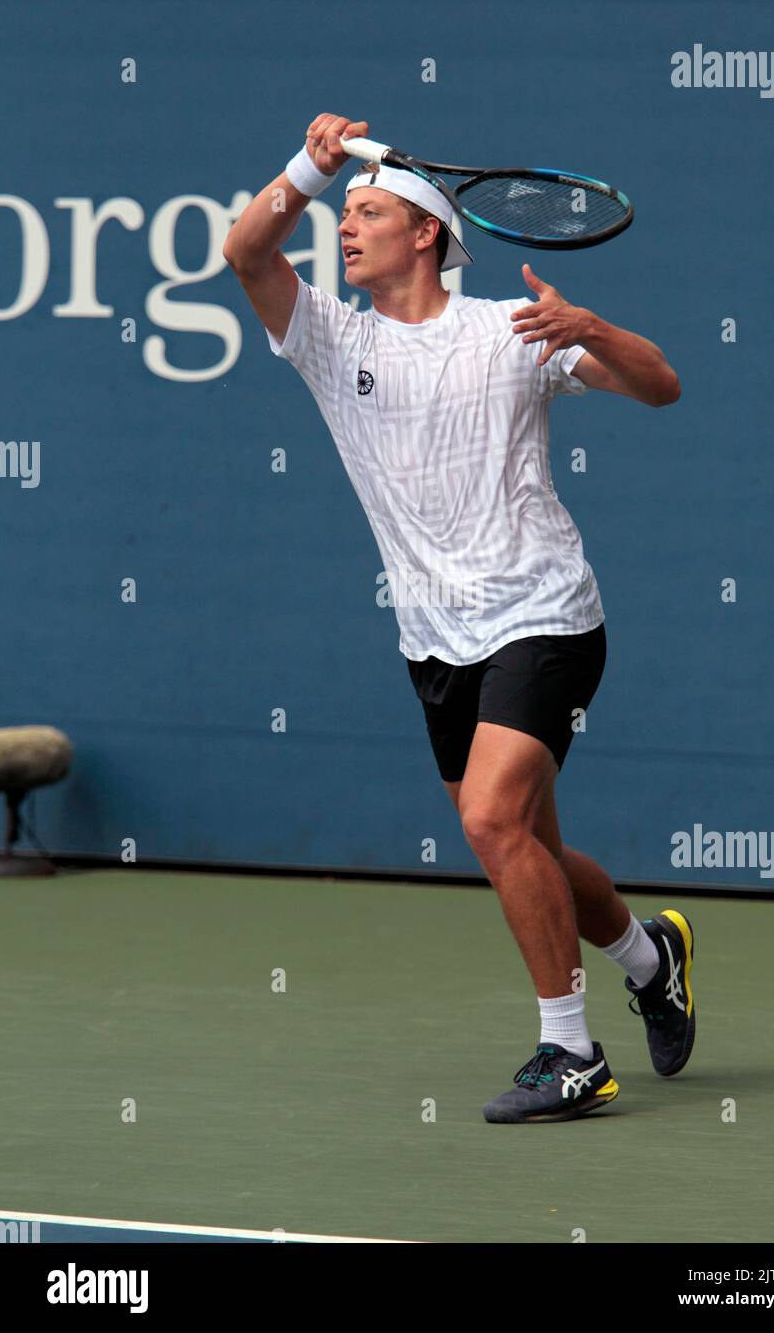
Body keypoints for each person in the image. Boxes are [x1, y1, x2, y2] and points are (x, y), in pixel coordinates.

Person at [223, 112, 695, 1123]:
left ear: (426, 232)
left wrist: (591, 328)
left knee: (487, 819)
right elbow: (245, 249)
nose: (343, 229)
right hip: (434, 640)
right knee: (522, 840)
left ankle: (569, 1051)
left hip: (545, 612)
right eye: (341, 214)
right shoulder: (326, 335)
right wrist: (311, 165)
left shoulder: (509, 334)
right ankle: (649, 956)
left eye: (367, 213)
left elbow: (661, 385)